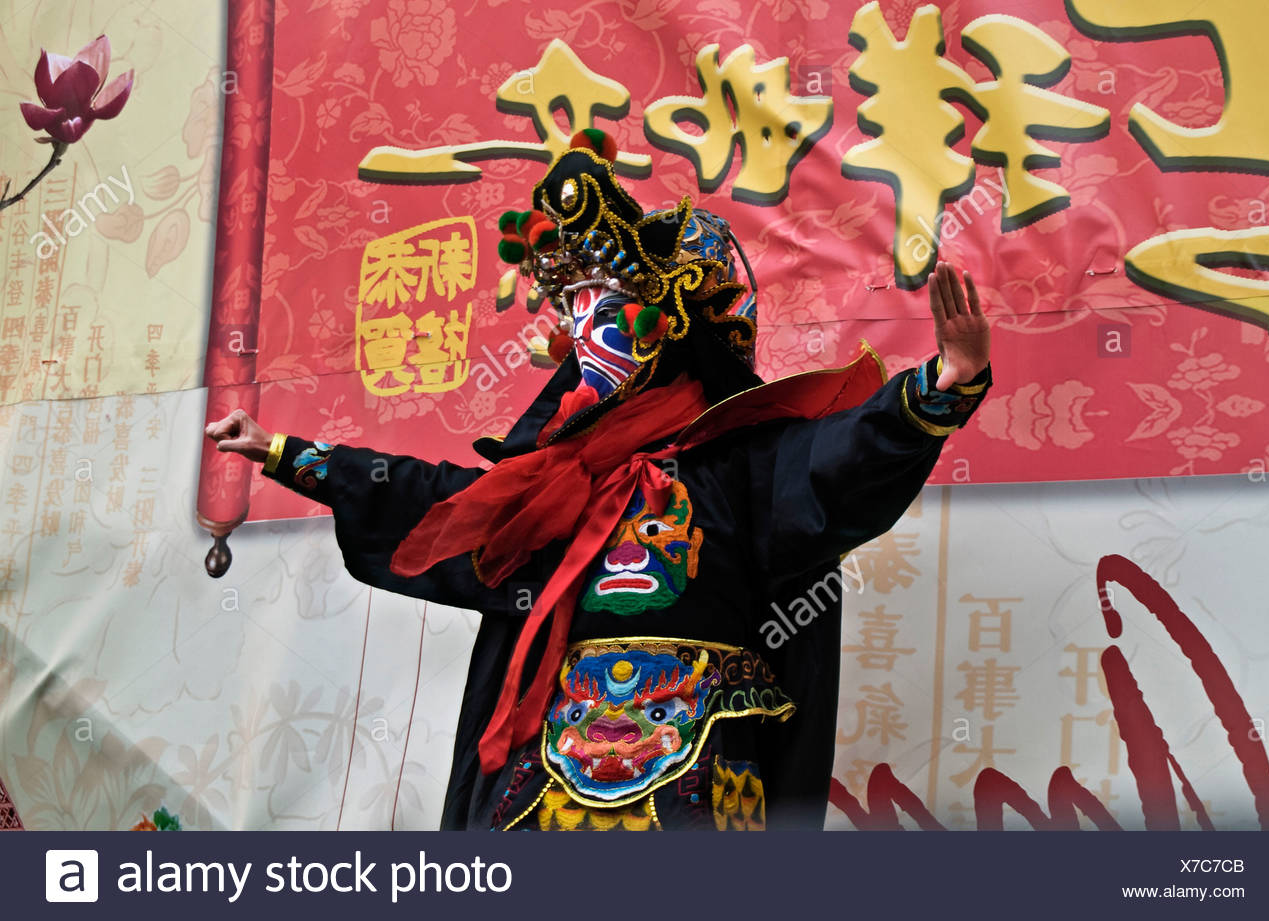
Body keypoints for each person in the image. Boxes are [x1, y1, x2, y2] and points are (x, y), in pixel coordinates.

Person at [205, 129, 992, 830]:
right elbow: (437, 502)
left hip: (700, 755)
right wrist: (285, 453)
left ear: (672, 331)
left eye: (610, 316)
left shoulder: (743, 456)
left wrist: (940, 387)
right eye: (578, 321)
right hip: (554, 756)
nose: (588, 341)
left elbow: (841, 458)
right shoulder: (554, 474)